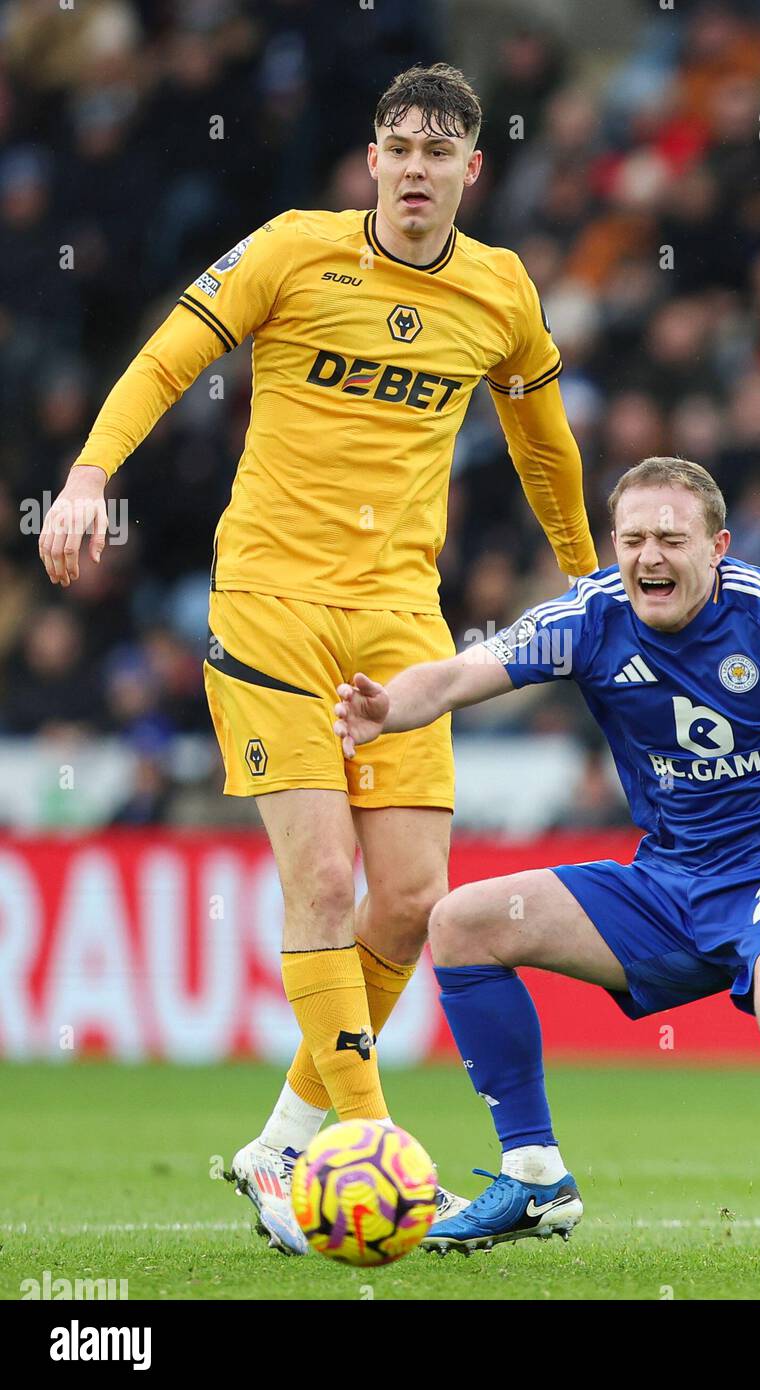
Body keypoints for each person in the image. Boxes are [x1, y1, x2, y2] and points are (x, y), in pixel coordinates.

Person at [37, 63, 598, 1255]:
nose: (414, 169)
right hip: (272, 606)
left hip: (401, 620)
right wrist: (89, 474)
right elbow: (167, 359)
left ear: (470, 172)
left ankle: (284, 1140)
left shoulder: (500, 293)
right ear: (372, 158)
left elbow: (543, 443)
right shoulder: (294, 250)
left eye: (439, 153)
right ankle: (375, 1152)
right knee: (324, 882)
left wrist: (588, 572)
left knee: (406, 898)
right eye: (397, 146)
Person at [333, 456, 760, 1276]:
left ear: (719, 545)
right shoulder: (590, 616)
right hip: (666, 886)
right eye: (632, 539)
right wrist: (387, 708)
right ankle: (535, 1176)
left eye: (670, 538)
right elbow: (457, 677)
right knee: (462, 923)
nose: (648, 556)